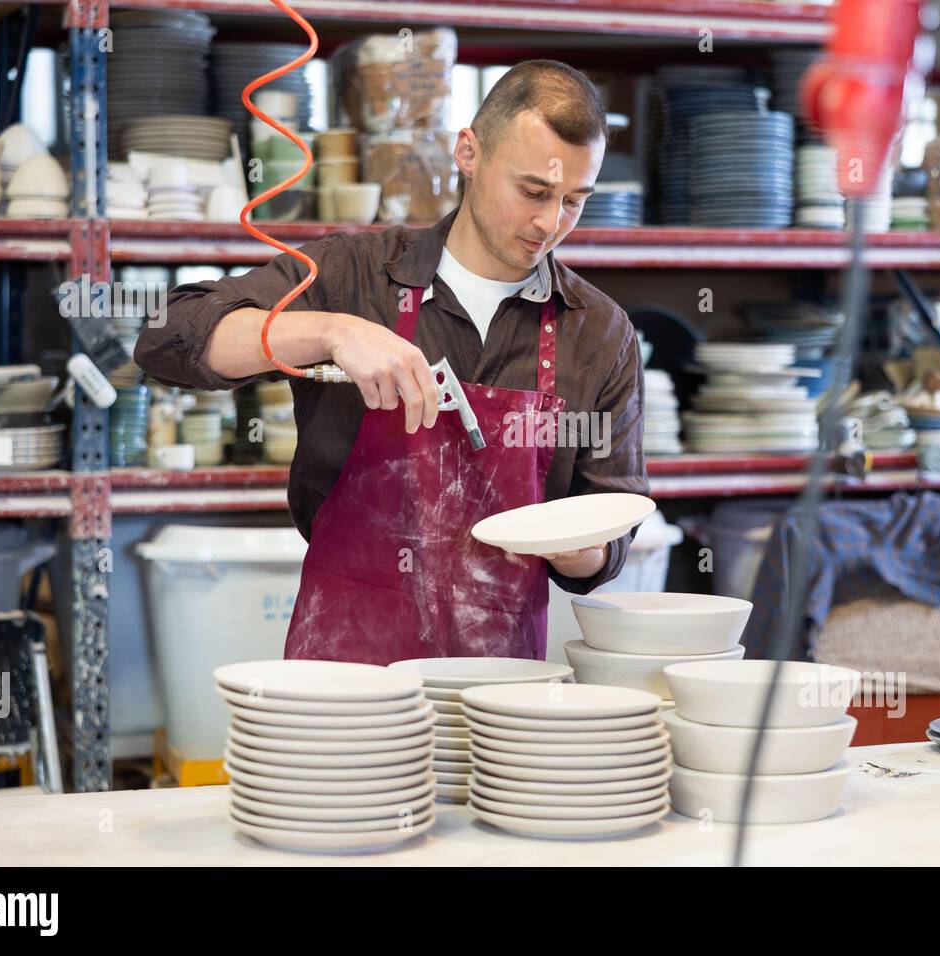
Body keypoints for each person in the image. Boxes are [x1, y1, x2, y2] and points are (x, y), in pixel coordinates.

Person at [135, 59, 648, 665]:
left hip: (502, 685)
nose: (549, 223)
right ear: (468, 152)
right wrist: (328, 331)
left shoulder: (597, 331)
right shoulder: (354, 275)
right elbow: (167, 337)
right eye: (533, 192)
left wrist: (576, 547)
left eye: (574, 201)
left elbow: (609, 536)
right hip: (345, 670)